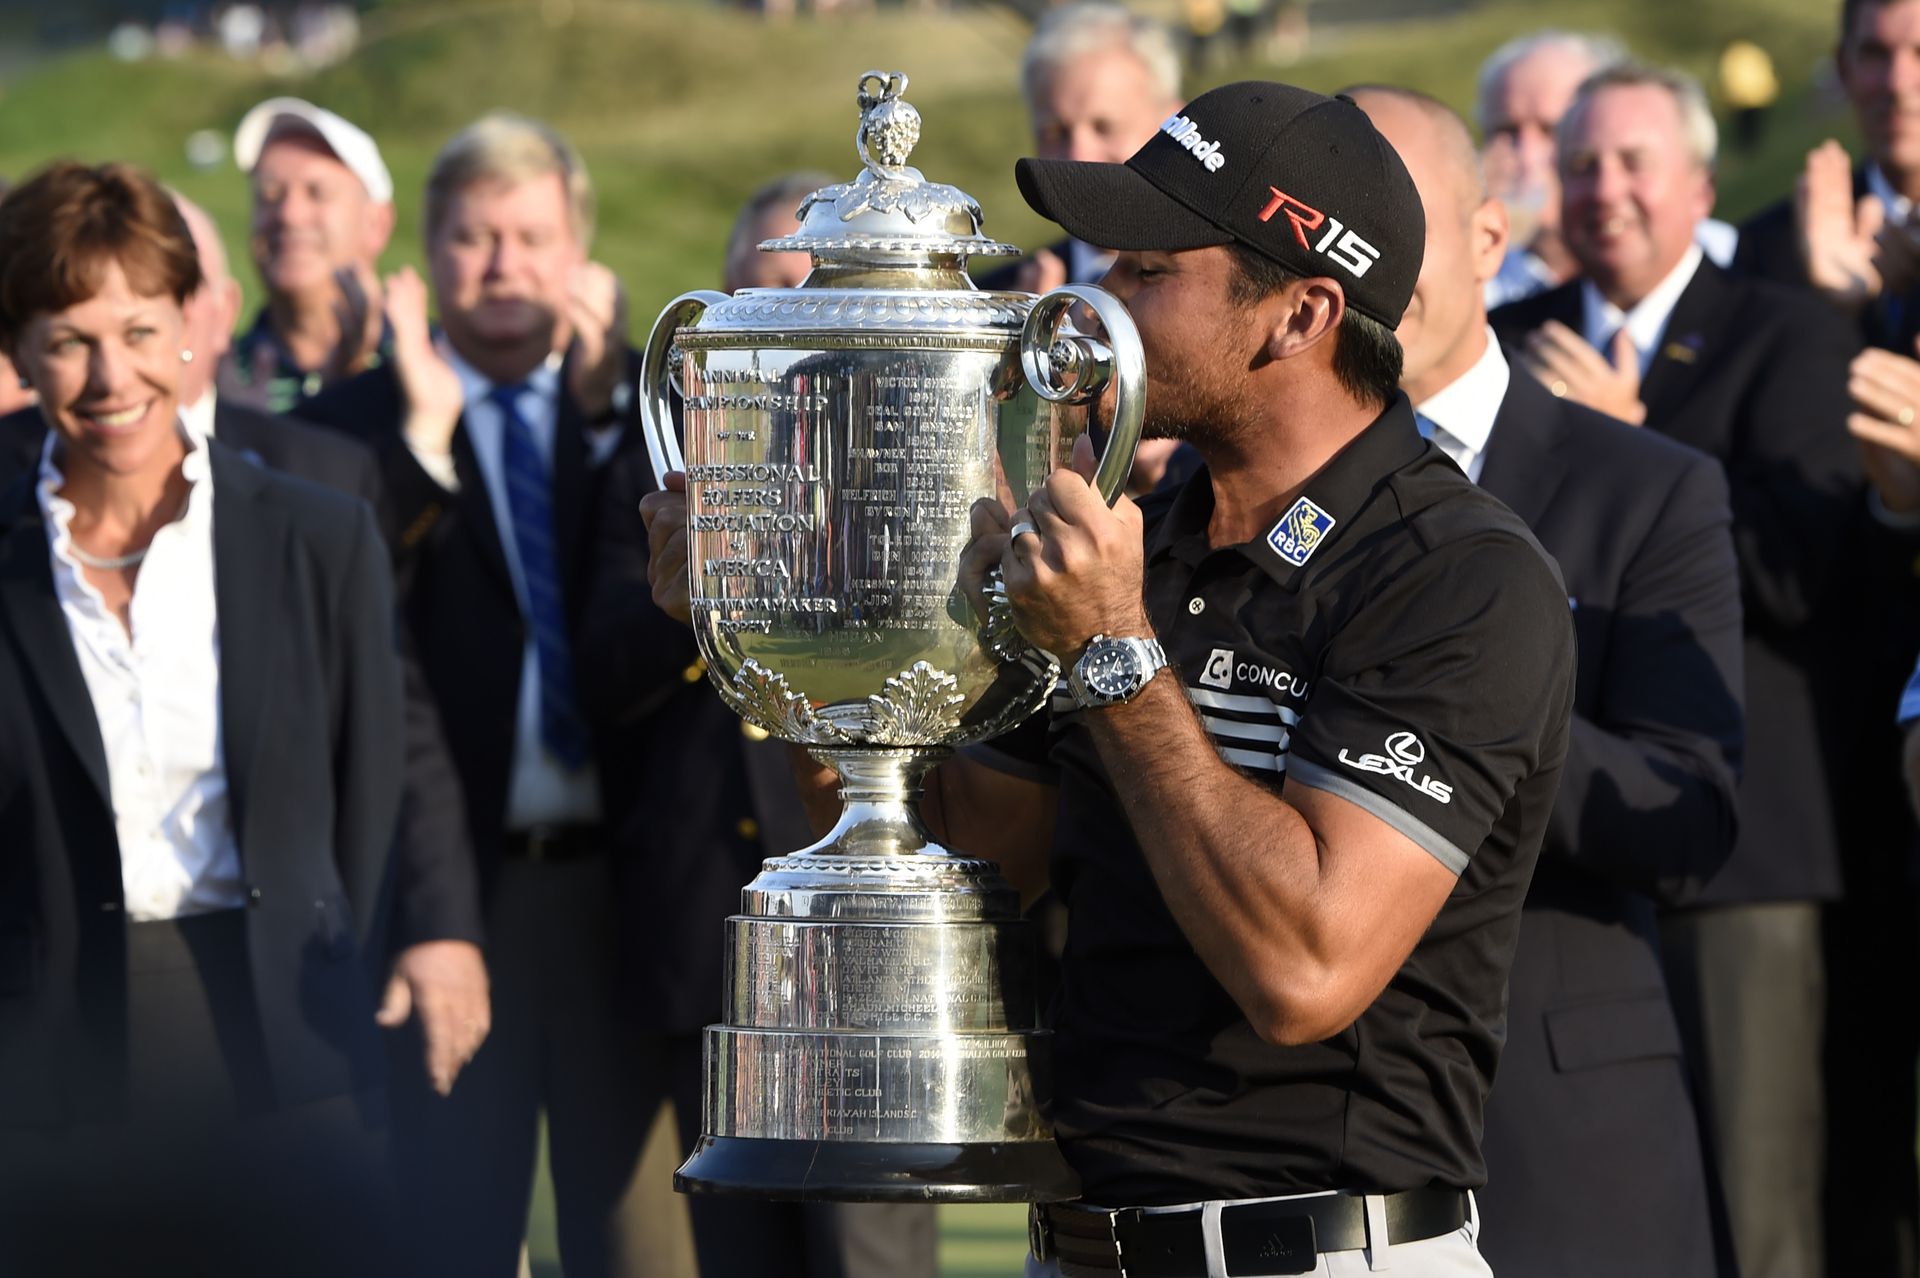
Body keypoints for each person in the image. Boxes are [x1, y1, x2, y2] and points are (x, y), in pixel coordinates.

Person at [649, 79, 1578, 1276]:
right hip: (1080, 1248)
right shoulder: (1141, 539)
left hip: (1319, 1251)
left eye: (1147, 271)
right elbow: (971, 851)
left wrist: (1115, 656)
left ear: (1300, 314)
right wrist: (786, 625)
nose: (1092, 307)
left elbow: (1305, 969)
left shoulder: (1457, 575)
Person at [1352, 83, 1741, 1278]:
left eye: (1396, 227)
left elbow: (1688, 818)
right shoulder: (1224, 501)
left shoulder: (1648, 489)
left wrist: (1475, 710)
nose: (1361, 269)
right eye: (1328, 233)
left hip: (1563, 1142)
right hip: (1291, 1147)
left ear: (1488, 240)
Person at [0, 161, 409, 1276]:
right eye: (68, 340)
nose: (111, 376)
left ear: (190, 324)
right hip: (43, 1085)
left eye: (139, 330)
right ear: (21, 353)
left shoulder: (322, 536)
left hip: (293, 1060)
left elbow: (372, 798)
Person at [1489, 61, 1863, 1278]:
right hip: (1551, 864)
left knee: (1757, 1211)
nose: (1604, 190)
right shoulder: (1507, 347)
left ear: (1700, 184)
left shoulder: (1787, 333)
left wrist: (1635, 440)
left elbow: (1802, 576)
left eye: (1632, 162)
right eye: (1580, 166)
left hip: (1741, 857)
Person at [294, 112, 656, 1278]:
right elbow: (345, 648)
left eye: (530, 237)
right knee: (446, 1238)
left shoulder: (655, 414)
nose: (503, 265)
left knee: (645, 1249)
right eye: (472, 237)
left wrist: (608, 424)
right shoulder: (343, 432)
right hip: (444, 903)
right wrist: (423, 445)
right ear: (427, 254)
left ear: (579, 255)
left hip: (626, 906)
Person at [574, 175, 937, 1278]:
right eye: (764, 309)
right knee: (735, 1243)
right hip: (711, 939)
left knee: (868, 1245)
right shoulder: (659, 467)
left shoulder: (905, 469)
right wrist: (701, 592)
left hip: (867, 949)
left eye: (816, 306)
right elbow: (599, 672)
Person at [983, 4, 1194, 498]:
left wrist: (1179, 462)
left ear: (1172, 123)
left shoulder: (1227, 300)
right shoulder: (992, 304)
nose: (1078, 157)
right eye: (1056, 132)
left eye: (1103, 127)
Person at [1476, 31, 1735, 310]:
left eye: (1552, 130)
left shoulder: (1730, 260)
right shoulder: (1477, 280)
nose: (1527, 155)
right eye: (1506, 132)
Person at [230, 96, 396, 412]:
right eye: (269, 195)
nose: (289, 214)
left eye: (317, 193)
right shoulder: (219, 382)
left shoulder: (433, 369)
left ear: (377, 223)